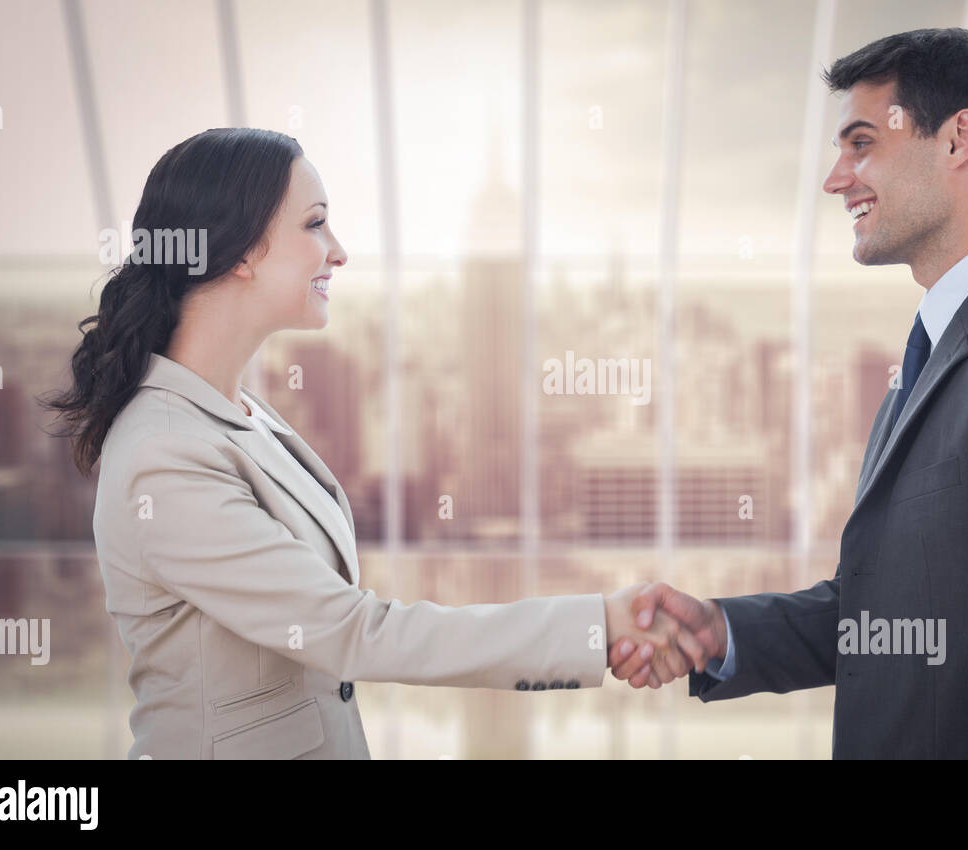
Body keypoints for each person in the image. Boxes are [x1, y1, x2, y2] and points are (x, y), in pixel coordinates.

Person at [609, 27, 968, 759]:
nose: (836, 178)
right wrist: (720, 632)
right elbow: (889, 619)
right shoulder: (937, 362)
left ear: (957, 141)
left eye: (862, 143)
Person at [41, 128, 703, 759]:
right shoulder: (166, 453)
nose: (337, 249)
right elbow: (354, 632)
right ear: (241, 251)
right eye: (313, 223)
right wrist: (597, 625)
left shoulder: (240, 414)